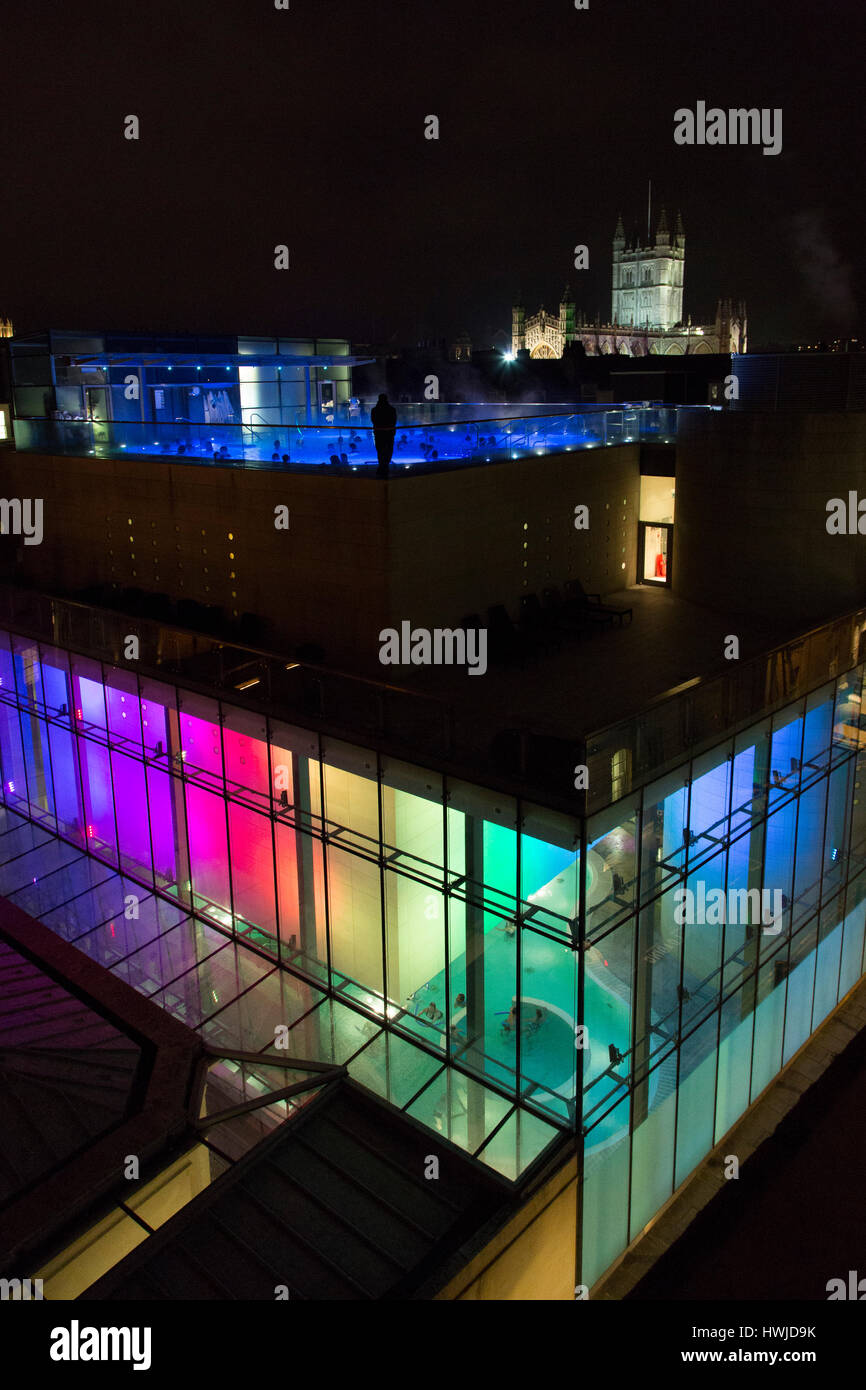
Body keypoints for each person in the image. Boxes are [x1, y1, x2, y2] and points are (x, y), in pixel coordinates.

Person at [371, 392, 397, 478]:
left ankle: (382, 465)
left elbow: (373, 420)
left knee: (380, 450)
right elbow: (394, 421)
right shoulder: (392, 409)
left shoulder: (374, 410)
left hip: (379, 432)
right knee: (389, 449)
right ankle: (385, 465)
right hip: (389, 432)